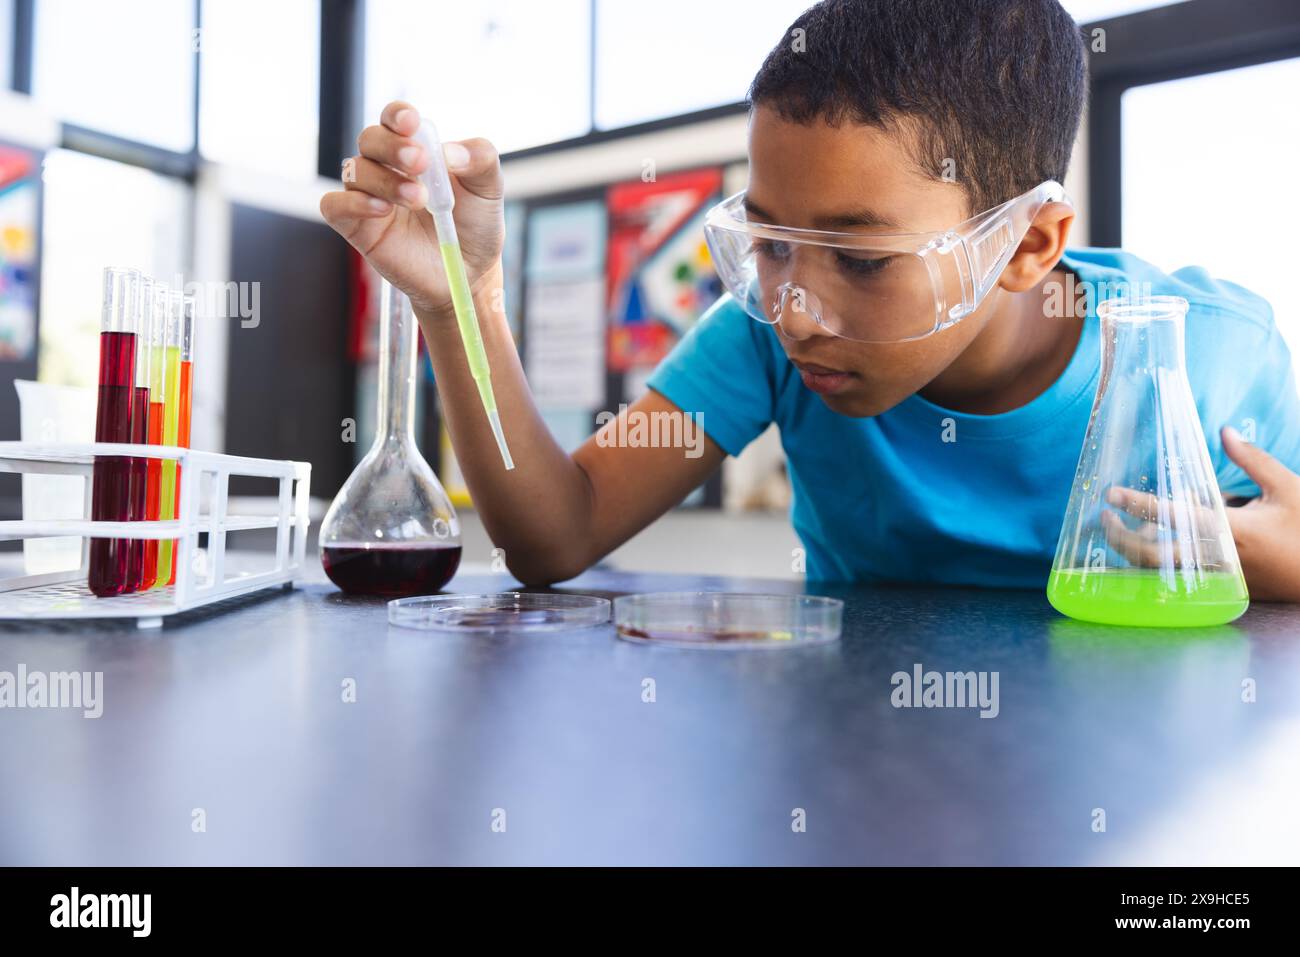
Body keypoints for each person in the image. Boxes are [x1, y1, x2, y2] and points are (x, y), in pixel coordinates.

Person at [320, 0, 1300, 599]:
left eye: (861, 262)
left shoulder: (1212, 354)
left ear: (1027, 243)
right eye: (771, 242)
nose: (795, 308)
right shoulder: (760, 336)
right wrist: (463, 294)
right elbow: (553, 535)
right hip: (848, 765)